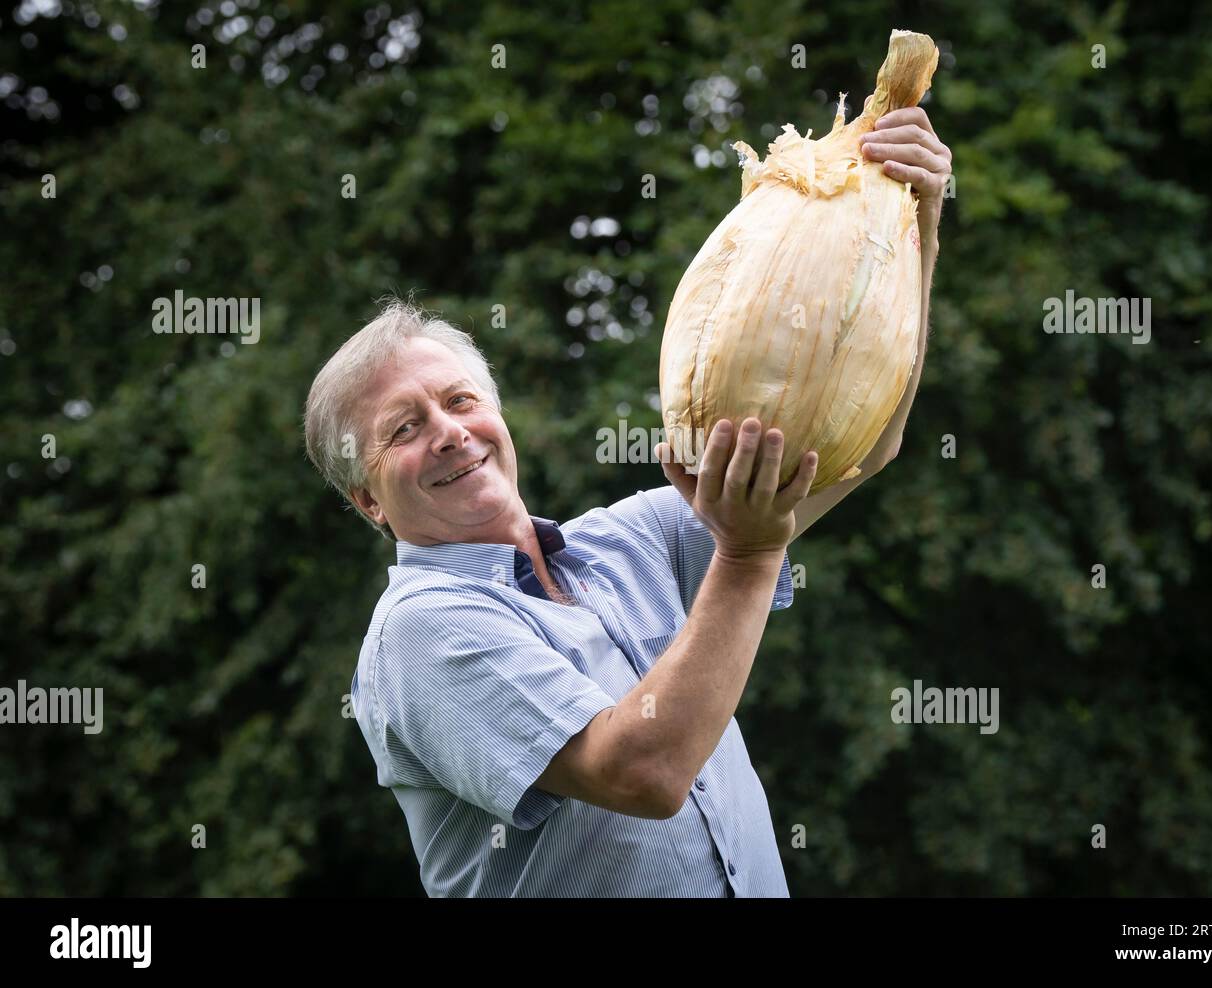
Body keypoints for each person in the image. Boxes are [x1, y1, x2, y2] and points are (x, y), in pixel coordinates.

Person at [302, 108, 949, 896]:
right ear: (369, 499)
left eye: (461, 400)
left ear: (498, 416)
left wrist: (917, 219)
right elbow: (642, 771)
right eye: (405, 426)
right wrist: (747, 556)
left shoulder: (630, 540)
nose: (448, 432)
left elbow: (864, 448)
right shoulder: (420, 630)